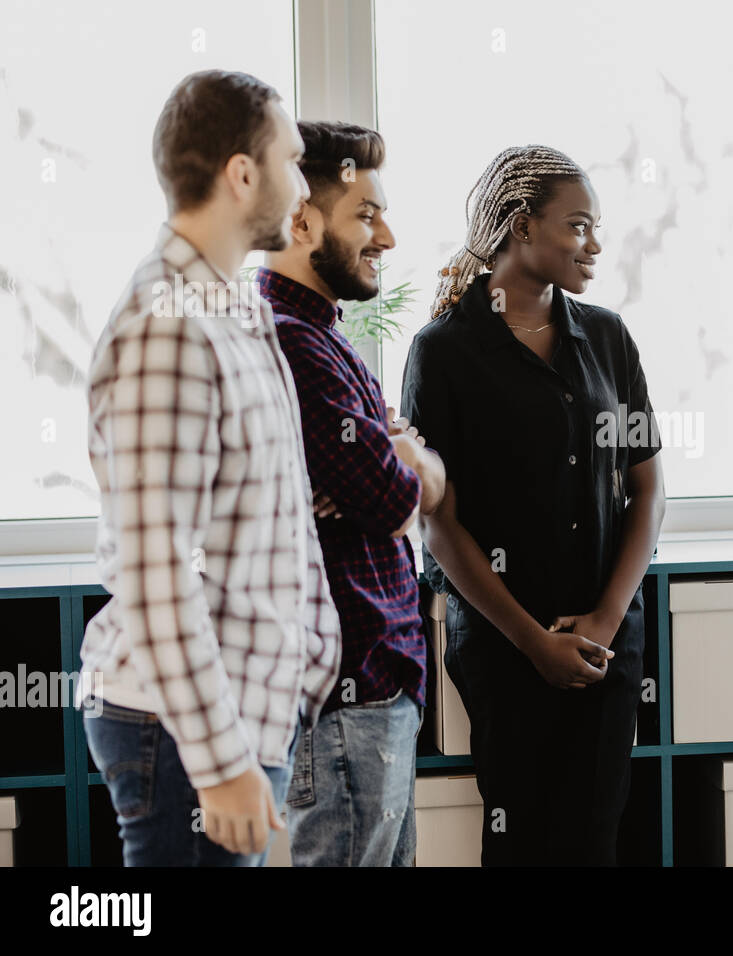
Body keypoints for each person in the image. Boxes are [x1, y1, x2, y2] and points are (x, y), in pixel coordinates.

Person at [78, 70, 341, 865]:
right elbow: (157, 570)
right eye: (293, 162)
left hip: (236, 714)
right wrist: (223, 763)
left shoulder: (234, 308)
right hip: (187, 731)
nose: (304, 186)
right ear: (242, 174)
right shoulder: (171, 327)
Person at [400, 145, 666, 865]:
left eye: (597, 227)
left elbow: (647, 489)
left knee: (592, 843)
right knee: (520, 843)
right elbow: (440, 523)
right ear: (521, 226)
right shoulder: (444, 352)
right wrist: (533, 643)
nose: (595, 244)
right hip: (504, 650)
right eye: (577, 226)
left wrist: (607, 621)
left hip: (607, 646)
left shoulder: (608, 337)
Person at [259, 120, 445, 866]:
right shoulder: (293, 345)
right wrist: (400, 460)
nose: (388, 237)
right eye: (366, 214)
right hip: (345, 694)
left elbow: (401, 479)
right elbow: (399, 497)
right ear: (302, 221)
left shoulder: (326, 339)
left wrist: (400, 459)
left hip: (370, 690)